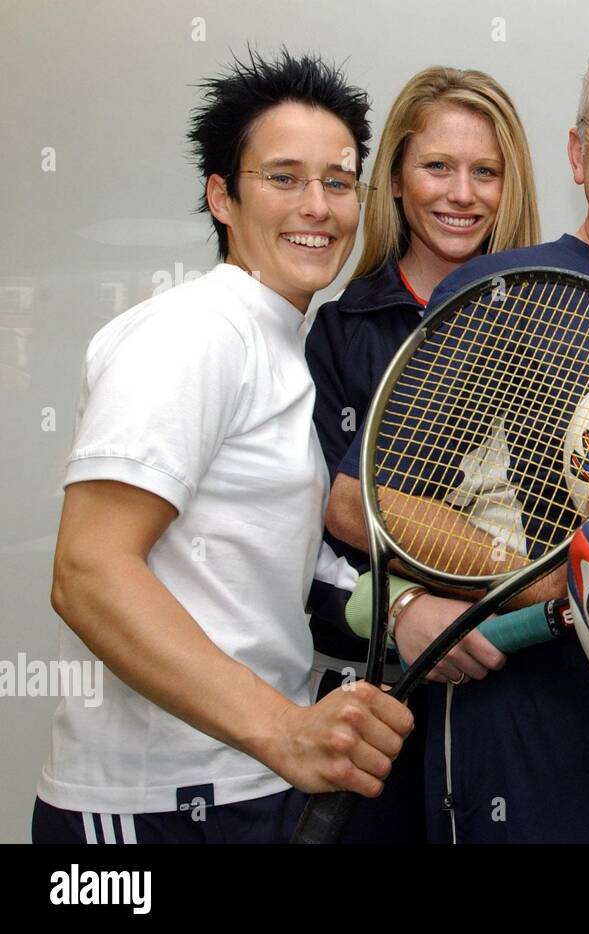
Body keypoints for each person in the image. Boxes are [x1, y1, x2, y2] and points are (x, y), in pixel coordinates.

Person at [327, 30, 589, 843]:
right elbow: (362, 504)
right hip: (528, 756)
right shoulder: (501, 292)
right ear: (576, 151)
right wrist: (553, 586)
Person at [32, 50, 413, 844]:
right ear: (222, 197)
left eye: (338, 182)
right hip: (150, 806)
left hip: (244, 787)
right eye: (283, 177)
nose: (317, 206)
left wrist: (407, 614)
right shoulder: (194, 331)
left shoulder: (276, 344)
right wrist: (284, 728)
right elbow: (89, 571)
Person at [304, 66, 541, 842]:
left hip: (531, 715)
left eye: (486, 172)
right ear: (396, 181)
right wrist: (398, 614)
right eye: (437, 166)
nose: (461, 194)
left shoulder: (554, 322)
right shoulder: (341, 334)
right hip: (383, 727)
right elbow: (307, 551)